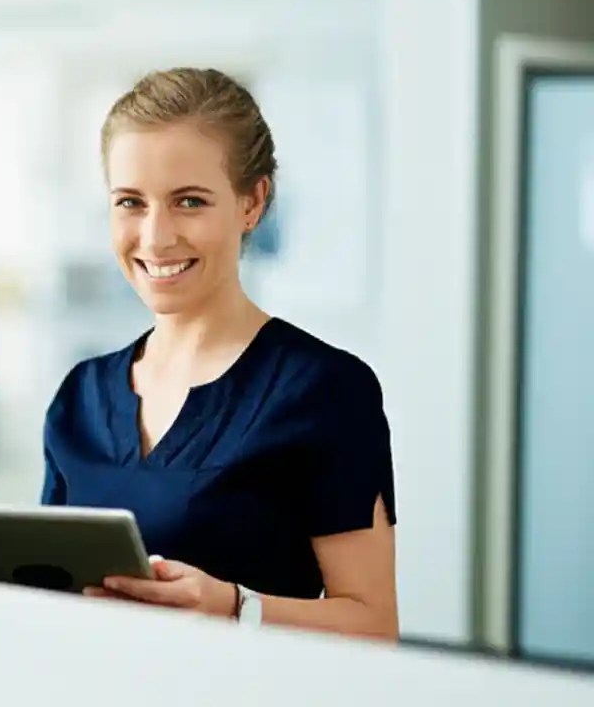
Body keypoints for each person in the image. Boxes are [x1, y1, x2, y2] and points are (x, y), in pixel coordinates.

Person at [42, 68, 397, 641]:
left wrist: (237, 607)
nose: (155, 237)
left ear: (252, 202)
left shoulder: (326, 390)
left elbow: (375, 625)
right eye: (130, 202)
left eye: (189, 201)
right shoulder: (79, 397)